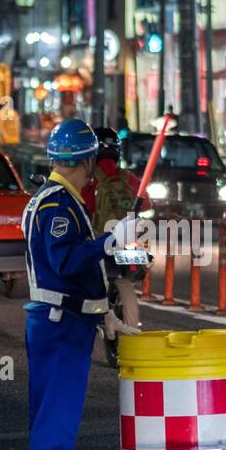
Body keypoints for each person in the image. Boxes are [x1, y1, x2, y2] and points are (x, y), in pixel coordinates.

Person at [21, 120, 138, 450]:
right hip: (60, 325)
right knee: (57, 418)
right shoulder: (58, 202)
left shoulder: (55, 198)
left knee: (51, 415)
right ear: (85, 161)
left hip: (62, 321)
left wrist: (104, 313)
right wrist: (110, 242)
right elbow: (67, 260)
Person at [81, 126, 149, 329]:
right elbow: (146, 204)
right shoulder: (128, 177)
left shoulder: (87, 178)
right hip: (127, 240)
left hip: (98, 238)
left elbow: (82, 206)